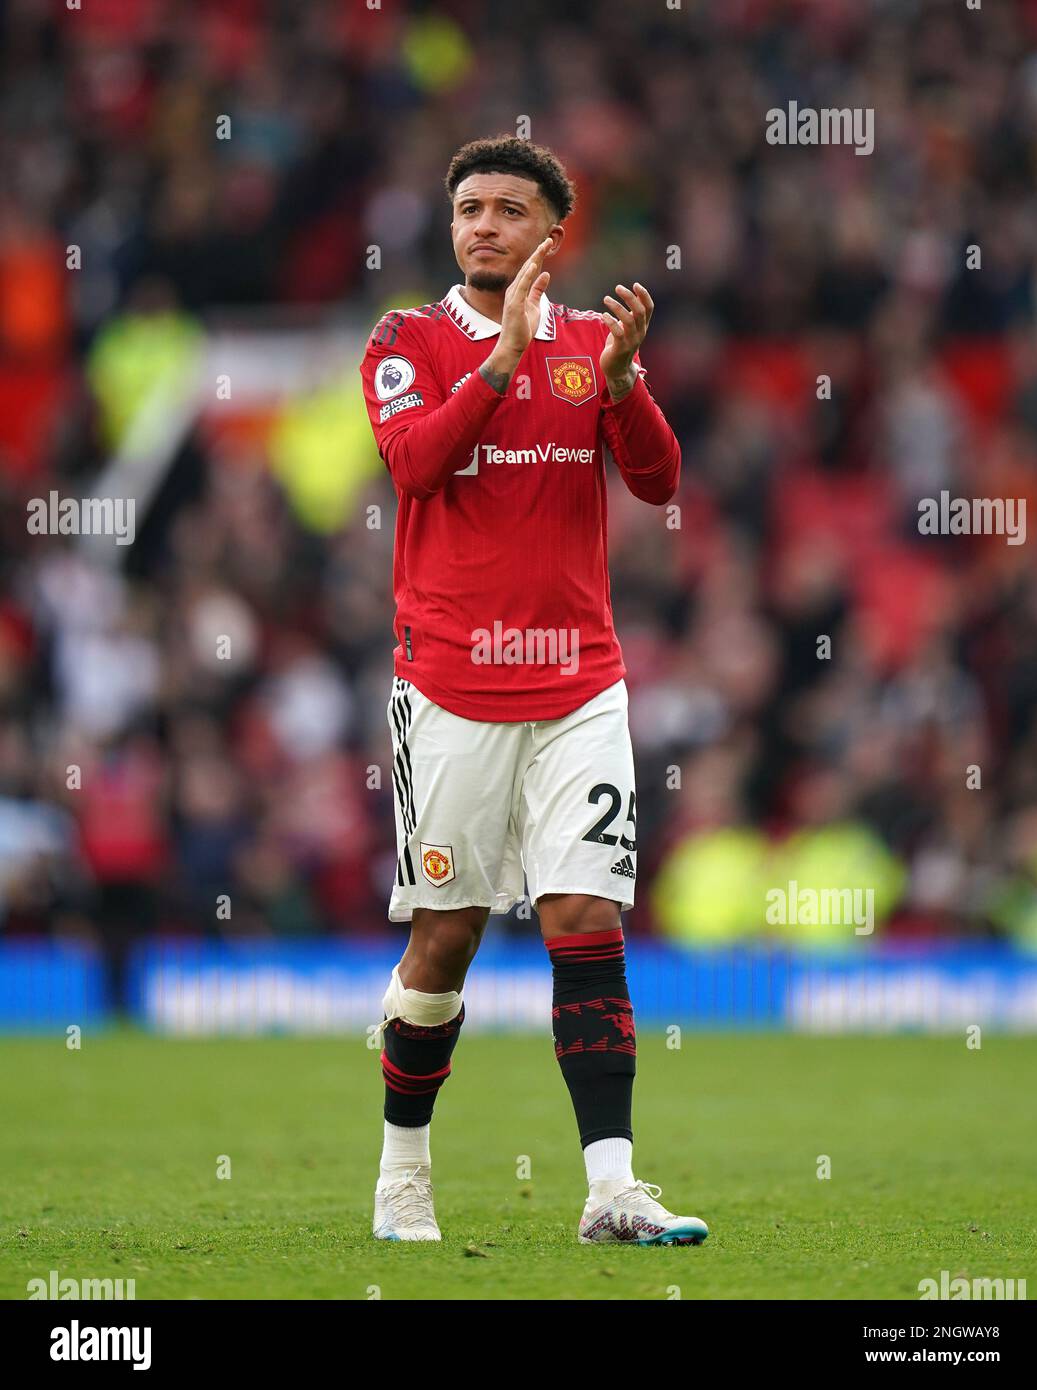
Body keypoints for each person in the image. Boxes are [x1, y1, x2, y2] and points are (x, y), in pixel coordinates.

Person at [359, 134, 707, 1246]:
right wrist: (501, 362)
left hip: (579, 687)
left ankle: (611, 1189)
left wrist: (624, 385)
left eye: (511, 209)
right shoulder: (406, 339)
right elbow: (413, 463)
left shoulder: (597, 345)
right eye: (469, 206)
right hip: (452, 687)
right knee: (446, 941)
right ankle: (402, 1172)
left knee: (585, 917)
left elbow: (657, 481)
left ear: (555, 232)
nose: (484, 225)